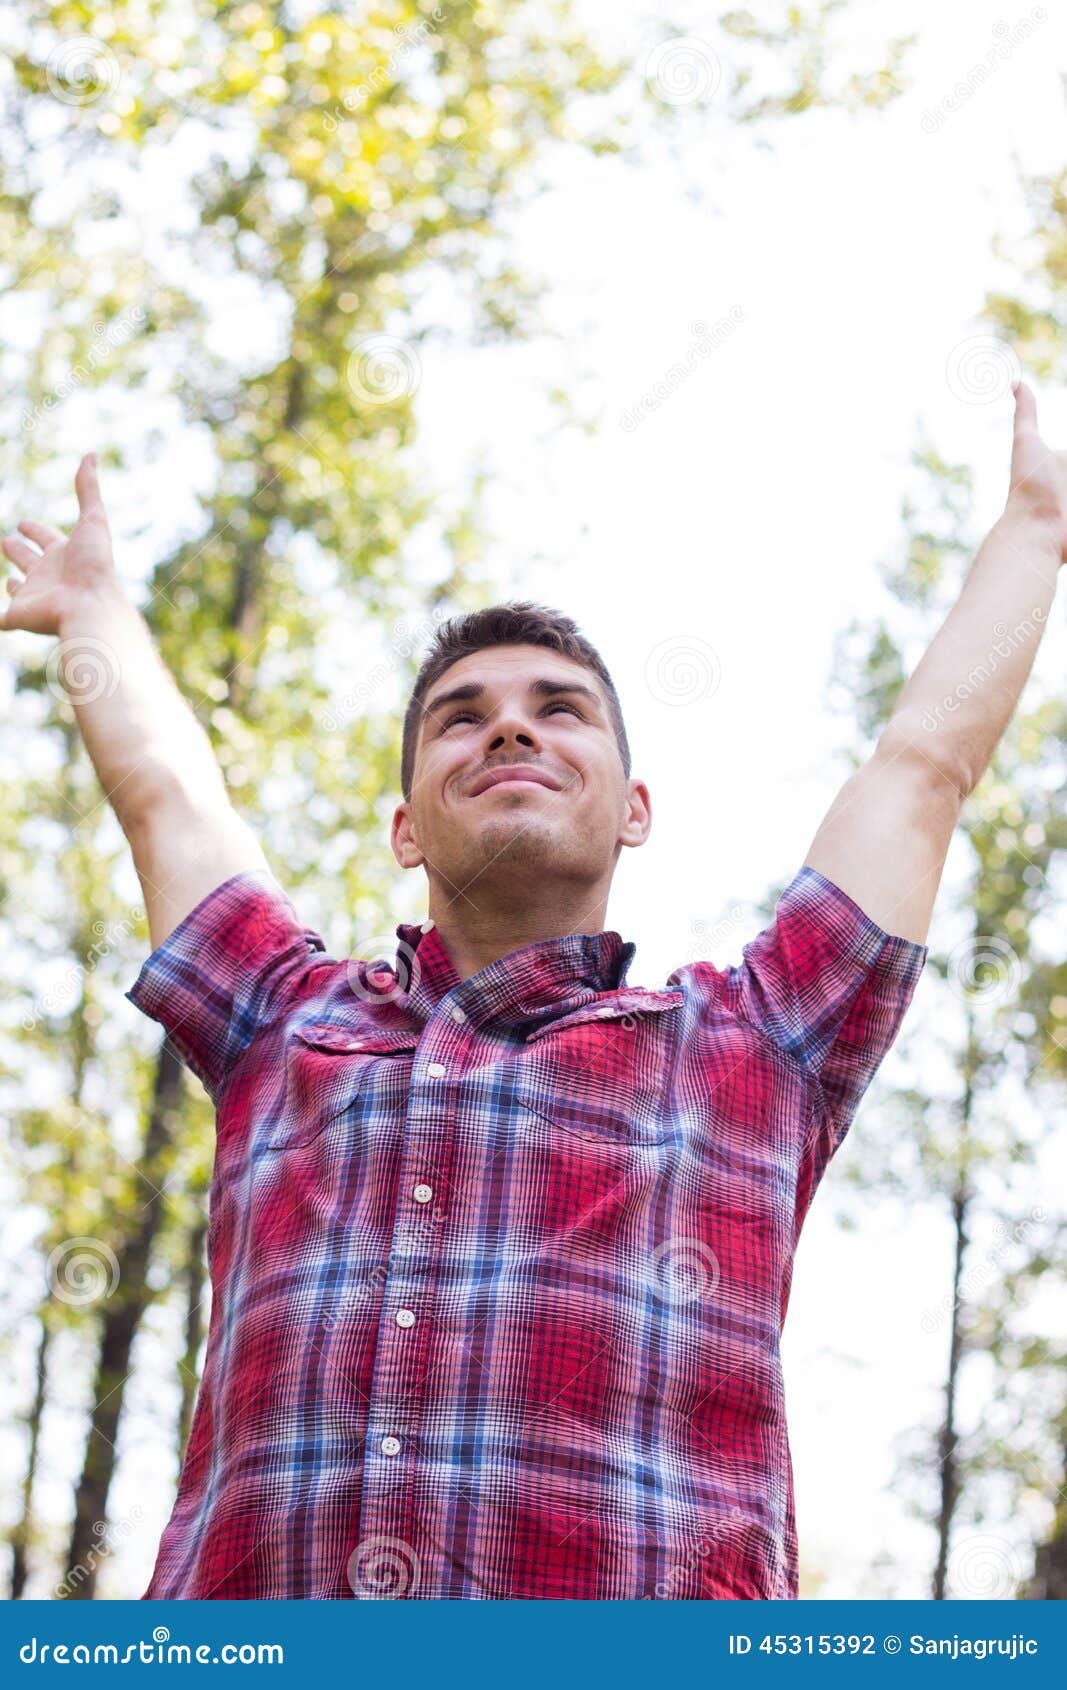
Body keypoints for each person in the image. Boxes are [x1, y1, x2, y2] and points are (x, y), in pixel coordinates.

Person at [3, 382, 1063, 1599]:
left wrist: (1034, 531)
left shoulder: (757, 1042)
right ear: (405, 827)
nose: (508, 731)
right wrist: (93, 612)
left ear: (633, 810)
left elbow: (921, 768)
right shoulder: (278, 1023)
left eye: (558, 711)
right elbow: (170, 801)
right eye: (461, 719)